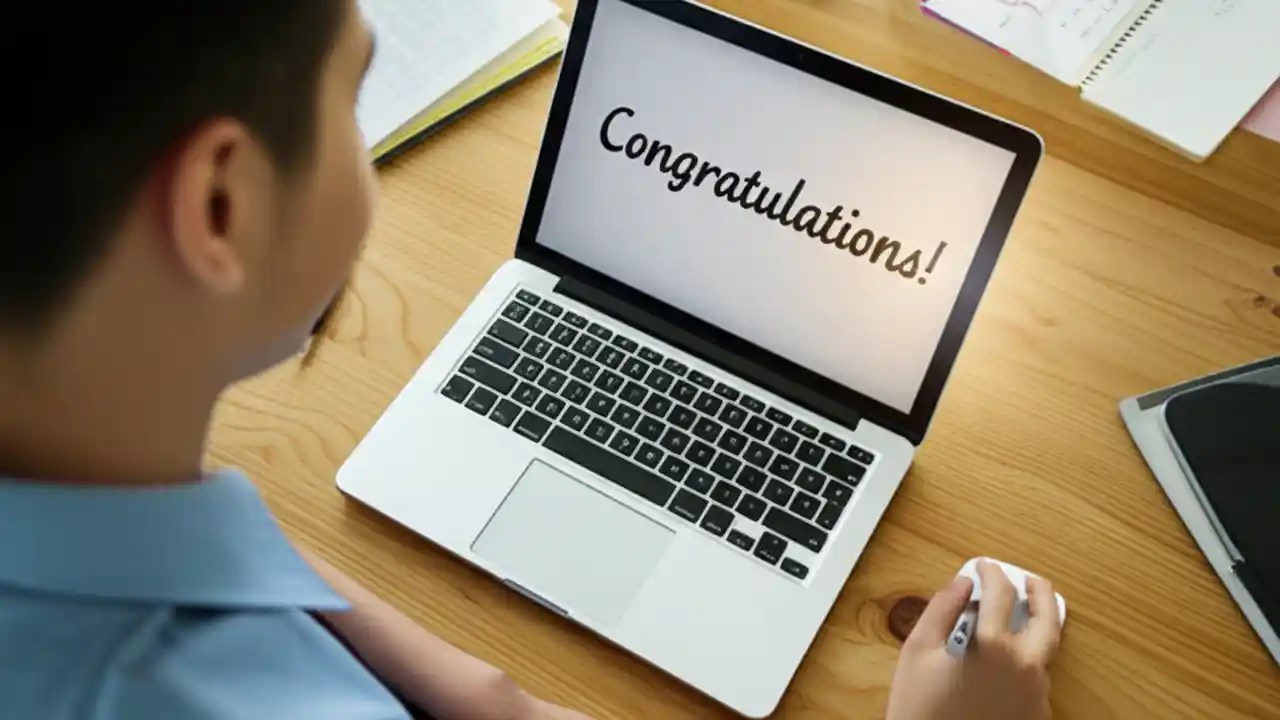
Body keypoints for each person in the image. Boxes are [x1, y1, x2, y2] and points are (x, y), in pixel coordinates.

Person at [0, 1, 1059, 718]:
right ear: (222, 207)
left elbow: (199, 530)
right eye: (352, 97)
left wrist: (485, 698)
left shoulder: (85, 468)